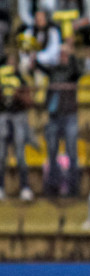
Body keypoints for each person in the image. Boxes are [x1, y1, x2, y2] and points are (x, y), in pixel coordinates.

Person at [37, 40, 80, 196]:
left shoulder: (72, 72)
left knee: (72, 152)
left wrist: (72, 53)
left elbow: (77, 71)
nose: (62, 56)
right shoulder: (54, 71)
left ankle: (73, 187)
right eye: (60, 54)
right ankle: (53, 186)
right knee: (52, 152)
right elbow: (40, 67)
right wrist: (33, 53)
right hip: (54, 116)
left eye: (65, 54)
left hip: (70, 115)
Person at [0, 52, 34, 201]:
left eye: (13, 62)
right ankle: (1, 187)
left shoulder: (21, 78)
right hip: (2, 117)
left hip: (18, 117)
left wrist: (17, 95)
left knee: (20, 154)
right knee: (1, 156)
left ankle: (25, 187)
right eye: (9, 61)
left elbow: (29, 100)